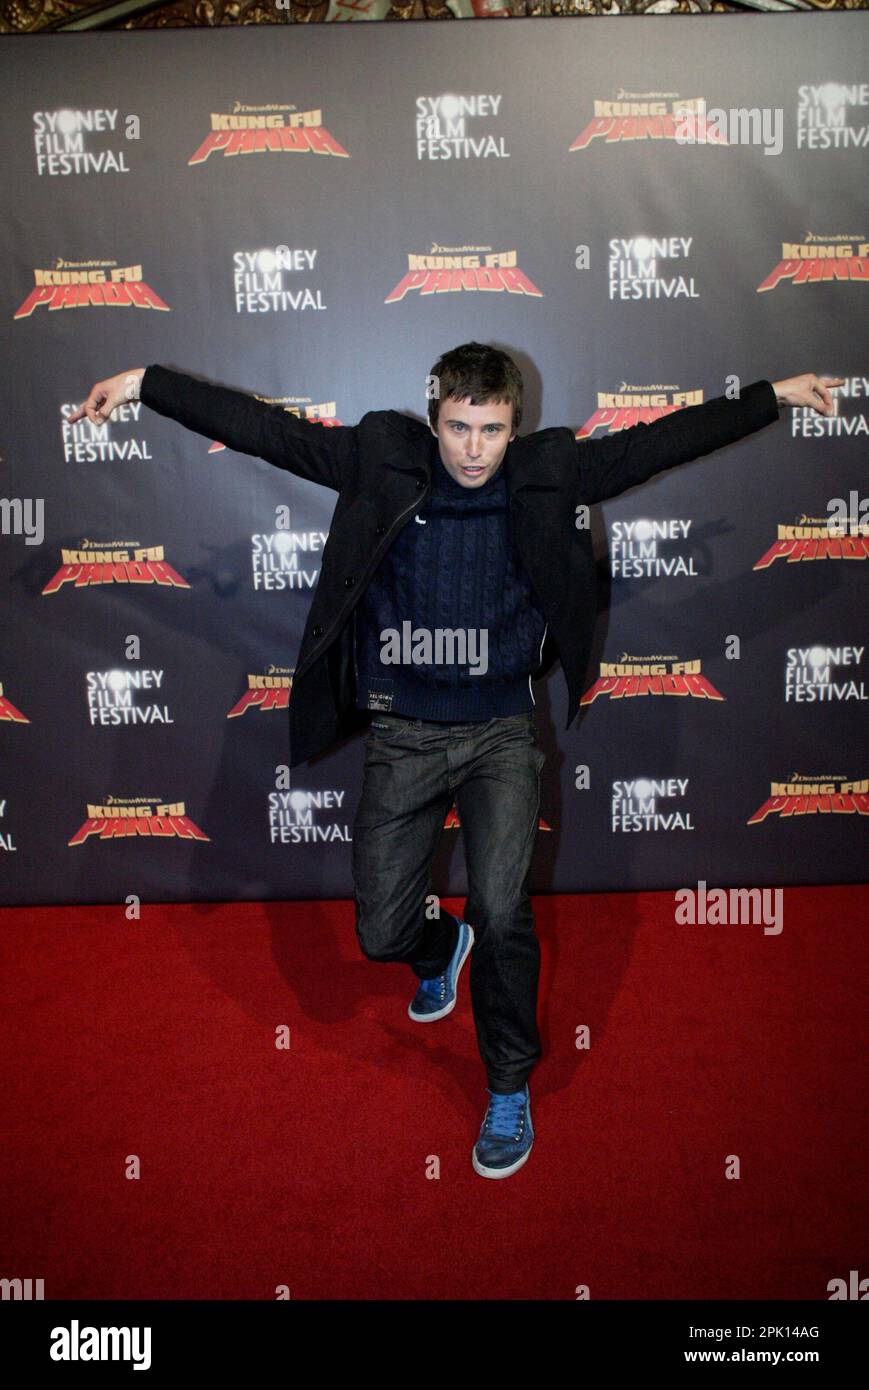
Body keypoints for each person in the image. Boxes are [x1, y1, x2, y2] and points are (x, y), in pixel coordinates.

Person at [71, 347, 842, 1180]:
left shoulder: (549, 472)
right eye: (457, 429)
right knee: (378, 932)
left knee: (505, 910)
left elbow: (662, 442)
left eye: (492, 431)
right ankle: (438, 948)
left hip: (501, 732)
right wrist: (146, 384)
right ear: (432, 416)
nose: (473, 450)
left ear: (516, 425)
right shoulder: (379, 458)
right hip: (404, 732)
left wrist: (772, 396)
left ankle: (506, 1082)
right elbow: (261, 429)